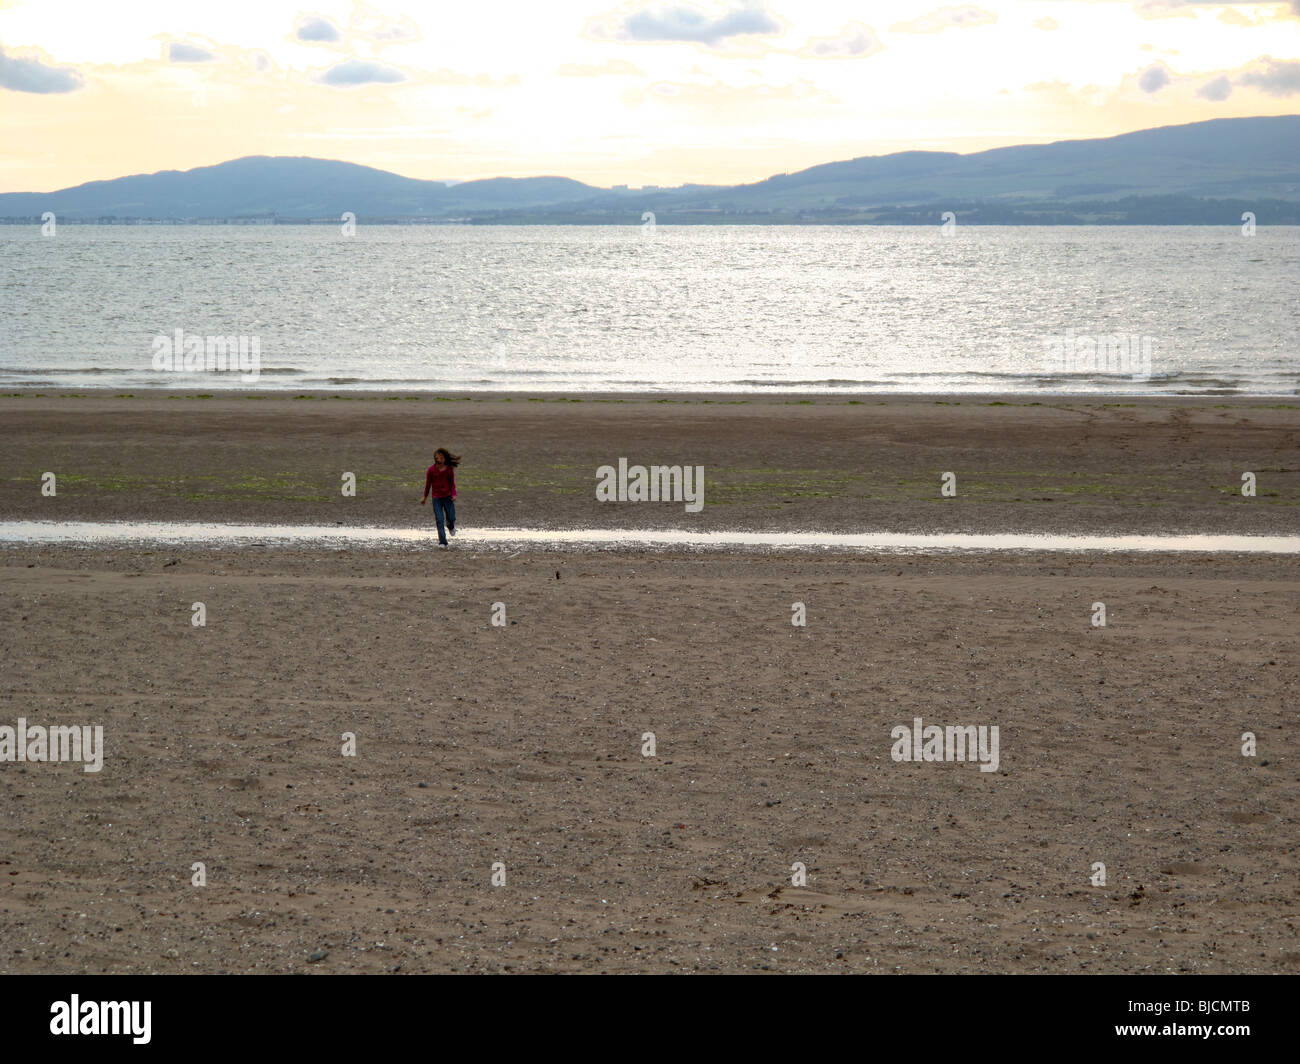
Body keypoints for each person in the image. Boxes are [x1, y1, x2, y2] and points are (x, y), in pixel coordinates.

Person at [419, 448, 460, 547]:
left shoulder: (449, 469)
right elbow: (428, 485)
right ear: (435, 458)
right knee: (439, 519)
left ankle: (451, 526)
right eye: (438, 457)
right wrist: (425, 497)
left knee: (451, 518)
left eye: (442, 457)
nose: (440, 459)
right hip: (436, 498)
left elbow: (452, 484)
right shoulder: (431, 470)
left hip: (448, 497)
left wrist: (454, 494)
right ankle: (443, 541)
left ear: (445, 458)